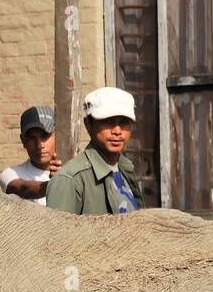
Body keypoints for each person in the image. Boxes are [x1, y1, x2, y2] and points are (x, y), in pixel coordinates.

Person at [45, 87, 142, 215]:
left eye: (124, 122)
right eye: (108, 121)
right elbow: (58, 234)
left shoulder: (125, 169)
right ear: (88, 124)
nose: (117, 131)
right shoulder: (69, 180)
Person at [0, 106, 61, 206]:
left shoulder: (73, 172)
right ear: (23, 140)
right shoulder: (11, 174)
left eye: (44, 136)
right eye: (32, 138)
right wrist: (53, 185)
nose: (39, 145)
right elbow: (23, 189)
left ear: (57, 135)